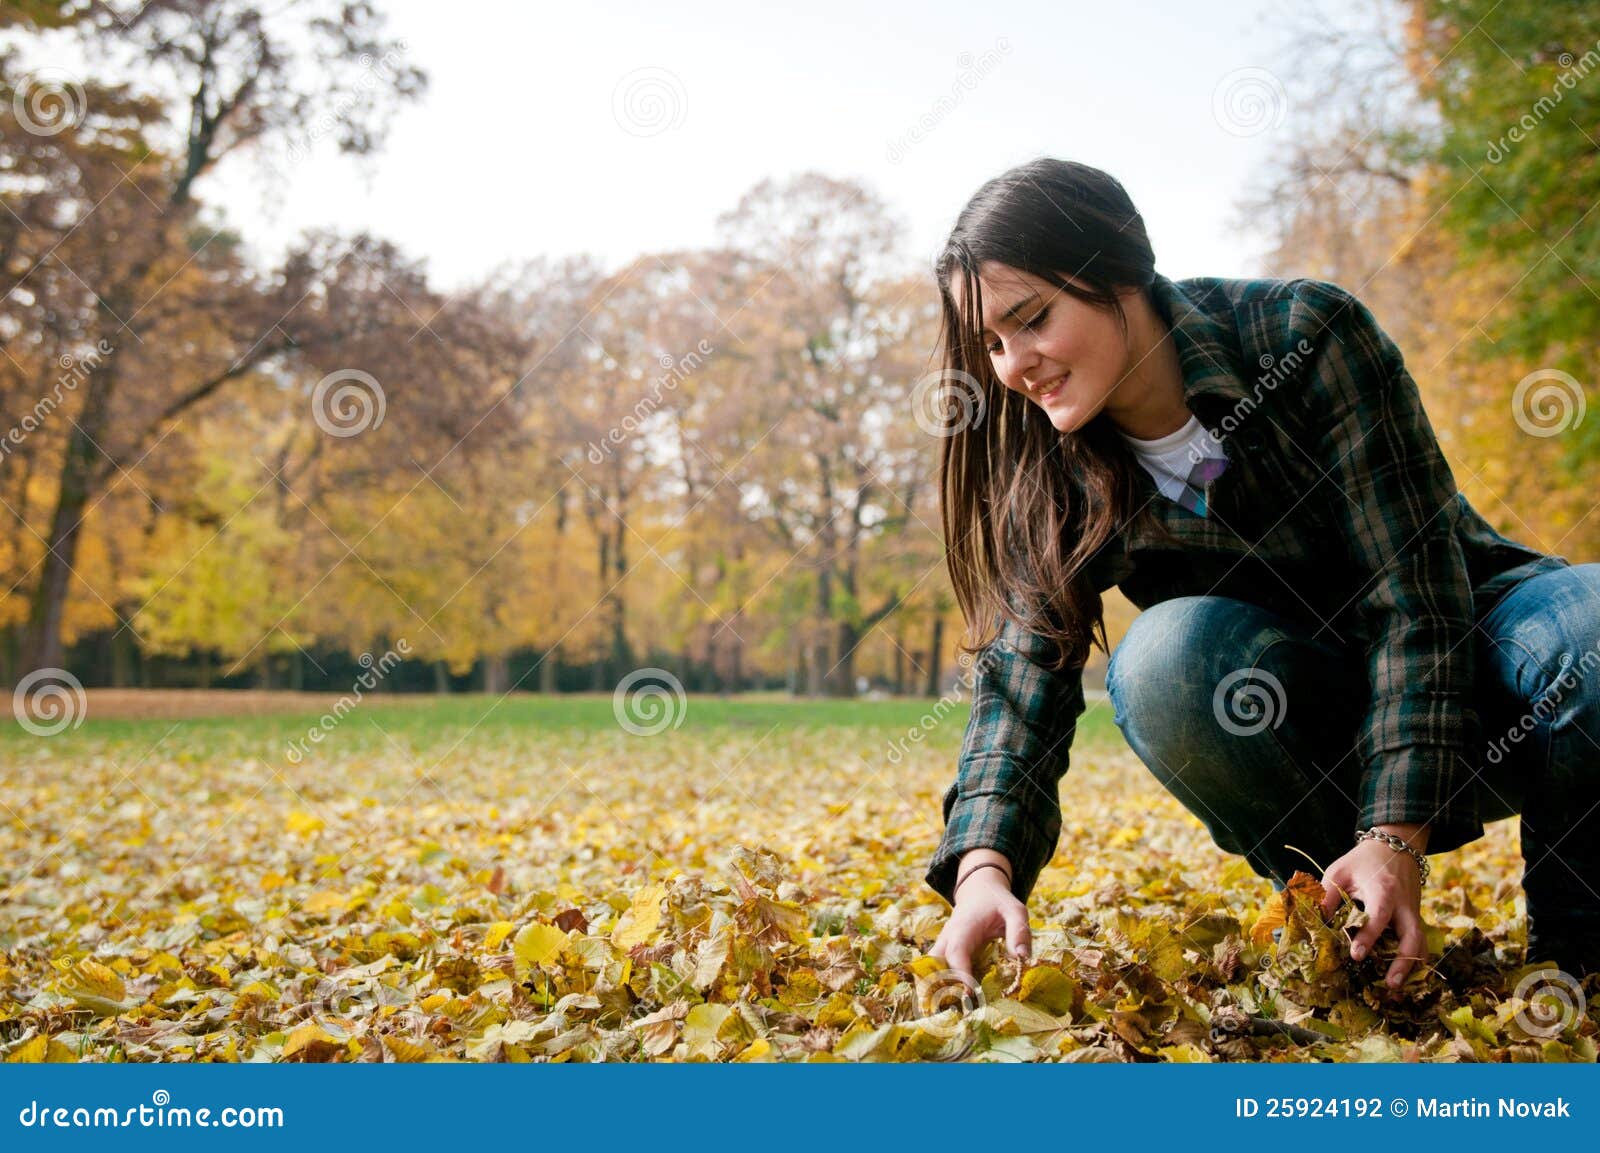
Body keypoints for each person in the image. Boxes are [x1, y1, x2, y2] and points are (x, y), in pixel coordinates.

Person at [924, 157, 1600, 994]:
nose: (1014, 363)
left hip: (1479, 666)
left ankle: (1580, 961)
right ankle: (1347, 930)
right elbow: (1021, 682)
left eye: (1031, 319)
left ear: (1118, 268)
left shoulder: (1304, 334)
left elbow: (1412, 601)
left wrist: (1396, 833)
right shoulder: (1049, 466)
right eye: (990, 343)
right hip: (1306, 716)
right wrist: (983, 871)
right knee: (1164, 658)